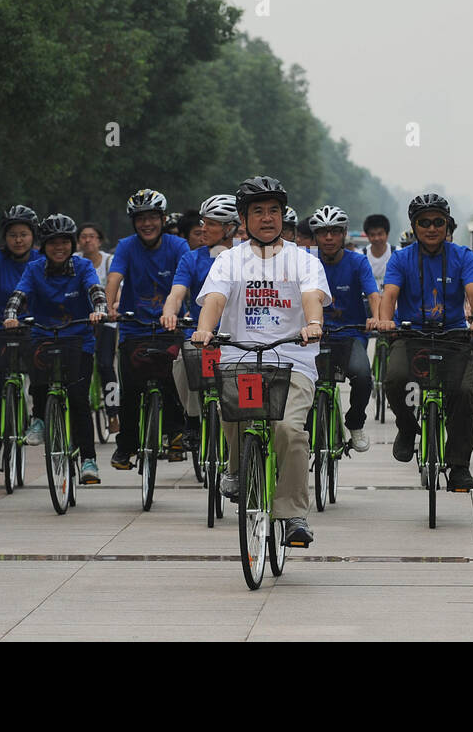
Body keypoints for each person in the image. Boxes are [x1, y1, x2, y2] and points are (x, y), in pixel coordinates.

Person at [192, 176, 330, 547]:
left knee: (289, 431)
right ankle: (236, 467)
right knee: (233, 413)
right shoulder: (229, 260)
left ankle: (294, 514)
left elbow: (312, 295)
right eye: (258, 212)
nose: (267, 218)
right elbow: (215, 299)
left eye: (273, 211)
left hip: (292, 361)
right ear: (243, 218)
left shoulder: (303, 260)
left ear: (283, 216)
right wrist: (206, 329)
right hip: (241, 358)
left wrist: (314, 324)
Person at [377, 193, 473, 490]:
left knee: (464, 394)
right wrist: (386, 320)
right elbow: (389, 295)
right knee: (395, 378)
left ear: (447, 225)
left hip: (453, 336)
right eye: (424, 222)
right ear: (414, 226)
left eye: (438, 222)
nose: (431, 228)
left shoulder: (463, 256)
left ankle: (459, 467)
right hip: (411, 334)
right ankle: (406, 426)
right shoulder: (401, 258)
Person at [2, 214, 108, 482]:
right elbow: (19, 293)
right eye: (52, 243)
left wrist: (99, 310)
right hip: (44, 334)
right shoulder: (34, 268)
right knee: (37, 374)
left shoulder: (83, 266)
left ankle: (88, 461)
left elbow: (95, 290)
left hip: (79, 339)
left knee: (79, 400)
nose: (59, 247)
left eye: (64, 242)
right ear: (43, 245)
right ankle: (38, 418)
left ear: (72, 244)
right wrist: (10, 314)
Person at [107, 189, 189, 469]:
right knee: (130, 390)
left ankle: (176, 432)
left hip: (170, 326)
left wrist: (187, 311)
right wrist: (107, 307)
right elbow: (115, 277)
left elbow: (187, 280)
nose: (147, 224)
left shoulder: (178, 246)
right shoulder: (126, 246)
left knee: (173, 379)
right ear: (134, 222)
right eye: (141, 218)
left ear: (163, 219)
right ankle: (126, 446)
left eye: (153, 217)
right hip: (134, 328)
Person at [0, 206, 46, 474]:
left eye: (23, 234)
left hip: (33, 328)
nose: (18, 240)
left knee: (40, 378)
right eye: (12, 234)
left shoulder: (40, 258)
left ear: (33, 236)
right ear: (5, 237)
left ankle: (38, 421)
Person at [162, 195, 236, 444]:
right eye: (203, 223)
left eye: (211, 224)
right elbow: (177, 292)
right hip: (198, 335)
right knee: (182, 364)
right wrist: (169, 312)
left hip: (236, 338)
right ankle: (192, 418)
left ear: (230, 228)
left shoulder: (245, 259)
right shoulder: (191, 258)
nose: (203, 229)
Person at [310, 205, 381, 453]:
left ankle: (355, 422)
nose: (329, 238)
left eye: (335, 232)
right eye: (323, 232)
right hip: (312, 337)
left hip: (350, 336)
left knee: (362, 377)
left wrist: (378, 317)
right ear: (315, 235)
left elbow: (373, 294)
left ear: (344, 234)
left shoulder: (358, 262)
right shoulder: (305, 261)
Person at [79, 222, 120, 436]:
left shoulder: (109, 261)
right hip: (81, 322)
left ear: (99, 240)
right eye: (83, 237)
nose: (87, 240)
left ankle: (113, 413)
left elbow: (118, 288)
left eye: (92, 236)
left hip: (106, 321)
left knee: (105, 365)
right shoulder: (74, 261)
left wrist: (114, 306)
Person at [363, 214, 393, 290]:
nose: (376, 238)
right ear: (367, 236)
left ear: (387, 234)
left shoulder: (397, 254)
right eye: (372, 235)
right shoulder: (361, 256)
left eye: (380, 234)